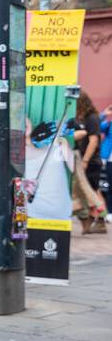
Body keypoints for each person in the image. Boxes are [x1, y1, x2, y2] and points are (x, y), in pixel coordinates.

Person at [71, 92, 105, 235]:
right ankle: (92, 221)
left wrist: (85, 160)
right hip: (82, 159)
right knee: (90, 192)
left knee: (92, 193)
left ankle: (100, 220)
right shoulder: (84, 118)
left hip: (90, 161)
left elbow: (94, 141)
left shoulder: (91, 118)